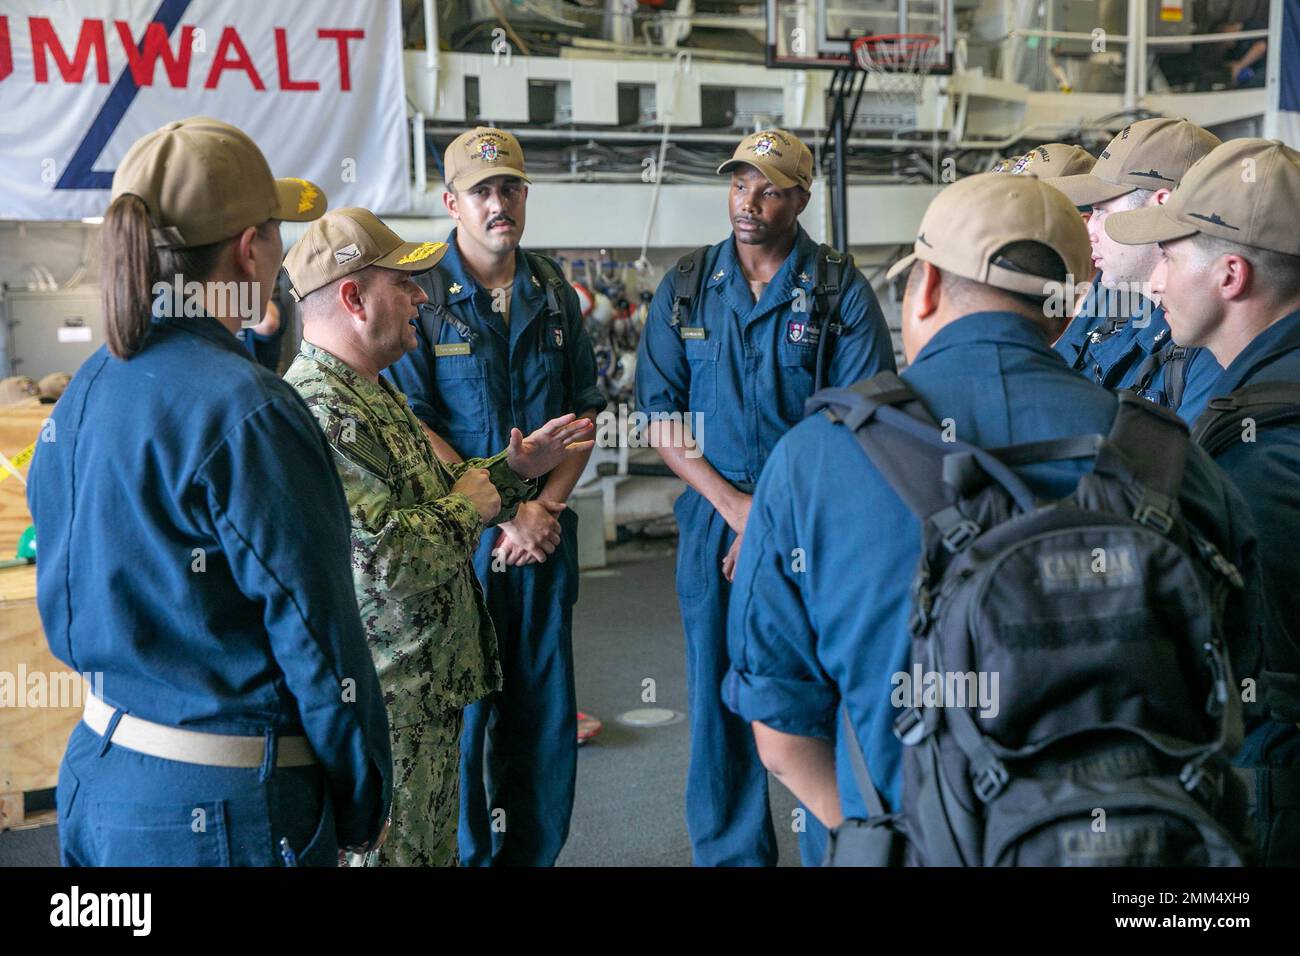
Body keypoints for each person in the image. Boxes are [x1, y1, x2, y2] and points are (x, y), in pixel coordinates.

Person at [725, 172, 1263, 856]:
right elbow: (1232, 680)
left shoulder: (813, 461)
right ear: (1067, 315)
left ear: (922, 289)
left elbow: (779, 734)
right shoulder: (1173, 459)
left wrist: (881, 835)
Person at [27, 117, 393, 866]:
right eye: (275, 232)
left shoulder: (85, 391)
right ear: (249, 249)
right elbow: (320, 642)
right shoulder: (251, 412)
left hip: (99, 774)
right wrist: (363, 800)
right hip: (221, 809)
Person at [283, 206, 595, 866]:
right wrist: (479, 508)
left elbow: (436, 494)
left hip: (422, 696)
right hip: (387, 708)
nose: (422, 296)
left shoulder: (367, 390)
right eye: (404, 284)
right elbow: (384, 562)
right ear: (352, 297)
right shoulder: (323, 409)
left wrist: (511, 472)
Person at [635, 128, 896, 866]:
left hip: (814, 529)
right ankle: (732, 857)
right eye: (740, 183)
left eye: (770, 187)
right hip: (714, 526)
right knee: (720, 703)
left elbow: (857, 419)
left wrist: (773, 520)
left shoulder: (840, 289)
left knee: (820, 696)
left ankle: (841, 849)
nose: (749, 201)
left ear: (801, 199)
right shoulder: (686, 286)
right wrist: (737, 511)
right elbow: (659, 416)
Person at [385, 127, 604, 867]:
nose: (498, 202)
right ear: (452, 202)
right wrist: (510, 510)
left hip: (542, 543)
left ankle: (532, 859)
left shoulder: (553, 295)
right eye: (481, 191)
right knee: (465, 718)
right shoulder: (422, 297)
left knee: (542, 713)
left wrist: (547, 510)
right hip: (465, 546)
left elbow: (583, 414)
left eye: (509, 187)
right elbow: (415, 427)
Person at [1105, 137, 1300, 863]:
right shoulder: (1251, 400)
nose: (1154, 284)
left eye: (1168, 258)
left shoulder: (1259, 455)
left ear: (1230, 273)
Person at [1043, 118, 1223, 419]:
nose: (1089, 232)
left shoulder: (1210, 346)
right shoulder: (1127, 312)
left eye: (1102, 210)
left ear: (1160, 207)